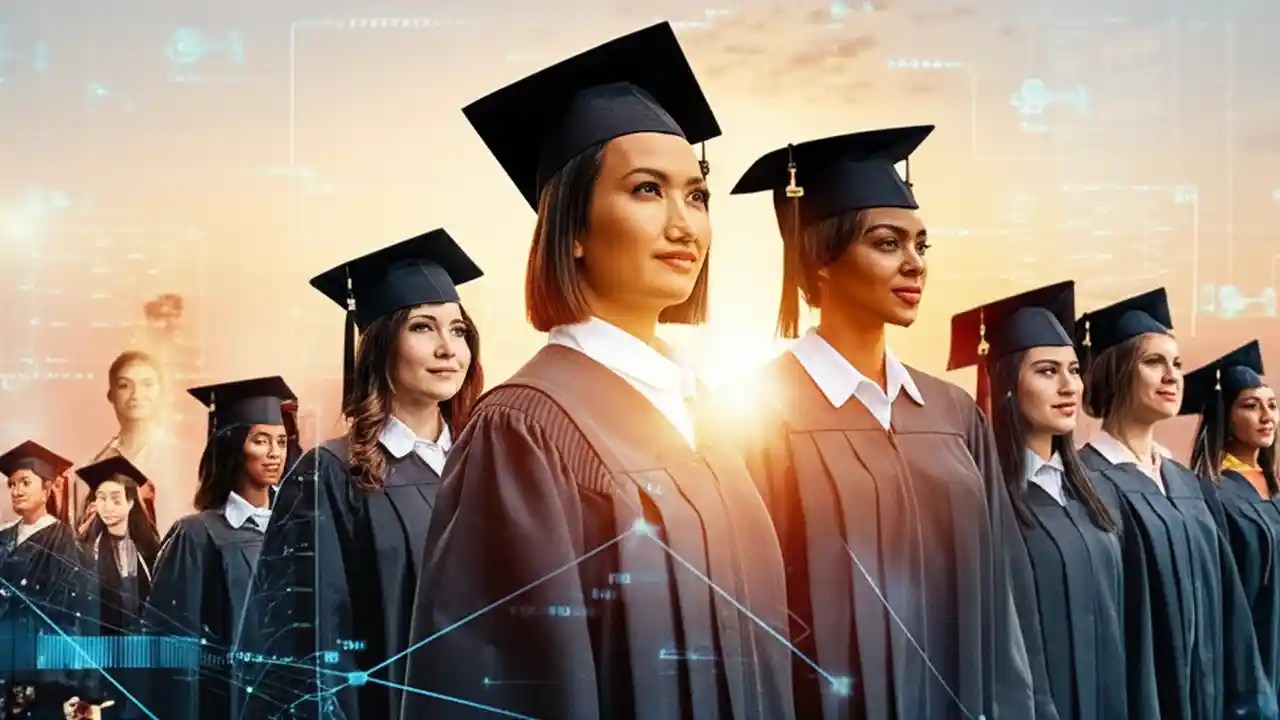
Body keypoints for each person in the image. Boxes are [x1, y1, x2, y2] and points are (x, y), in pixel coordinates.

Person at [400, 22, 793, 720]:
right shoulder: (520, 430)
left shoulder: (705, 410)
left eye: (696, 195)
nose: (684, 224)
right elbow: (492, 692)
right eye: (647, 190)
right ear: (572, 228)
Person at [724, 126, 1050, 719]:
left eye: (921, 246)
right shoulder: (757, 415)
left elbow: (1002, 604)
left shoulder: (953, 414)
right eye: (887, 243)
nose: (914, 264)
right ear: (819, 256)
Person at [235, 229, 485, 720]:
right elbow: (307, 647)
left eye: (458, 331)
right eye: (422, 327)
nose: (447, 348)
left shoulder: (484, 465)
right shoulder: (330, 474)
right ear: (378, 344)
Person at [949, 281, 1147, 719]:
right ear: (1006, 384)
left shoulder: (1097, 494)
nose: (1068, 386)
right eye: (1046, 370)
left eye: (1074, 370)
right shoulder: (986, 499)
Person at [1076, 288, 1275, 719]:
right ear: (1116, 370)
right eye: (1154, 362)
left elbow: (1232, 616)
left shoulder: (1188, 486)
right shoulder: (1083, 485)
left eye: (1178, 364)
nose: (1172, 376)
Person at [142, 376, 296, 719]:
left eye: (281, 442)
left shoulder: (292, 534)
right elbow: (169, 648)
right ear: (232, 446)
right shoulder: (196, 536)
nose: (274, 453)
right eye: (260, 440)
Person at [1182, 340, 1280, 700]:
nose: (1267, 417)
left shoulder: (1274, 488)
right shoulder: (1213, 494)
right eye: (1251, 406)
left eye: (1272, 405)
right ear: (1225, 415)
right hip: (1251, 656)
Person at [0, 441, 97, 719]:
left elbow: (70, 613)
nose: (16, 491)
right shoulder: (4, 537)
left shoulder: (64, 541)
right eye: (12, 484)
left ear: (46, 489)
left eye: (25, 483)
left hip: (40, 664)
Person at [73, 351, 188, 538]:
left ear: (162, 392)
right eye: (124, 385)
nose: (136, 394)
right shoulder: (91, 466)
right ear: (111, 395)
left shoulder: (185, 460)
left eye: (147, 384)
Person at [77, 456, 160, 639]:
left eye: (115, 500)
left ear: (130, 503)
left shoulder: (149, 547)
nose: (107, 507)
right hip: (100, 642)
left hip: (141, 645)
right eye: (101, 499)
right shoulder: (87, 547)